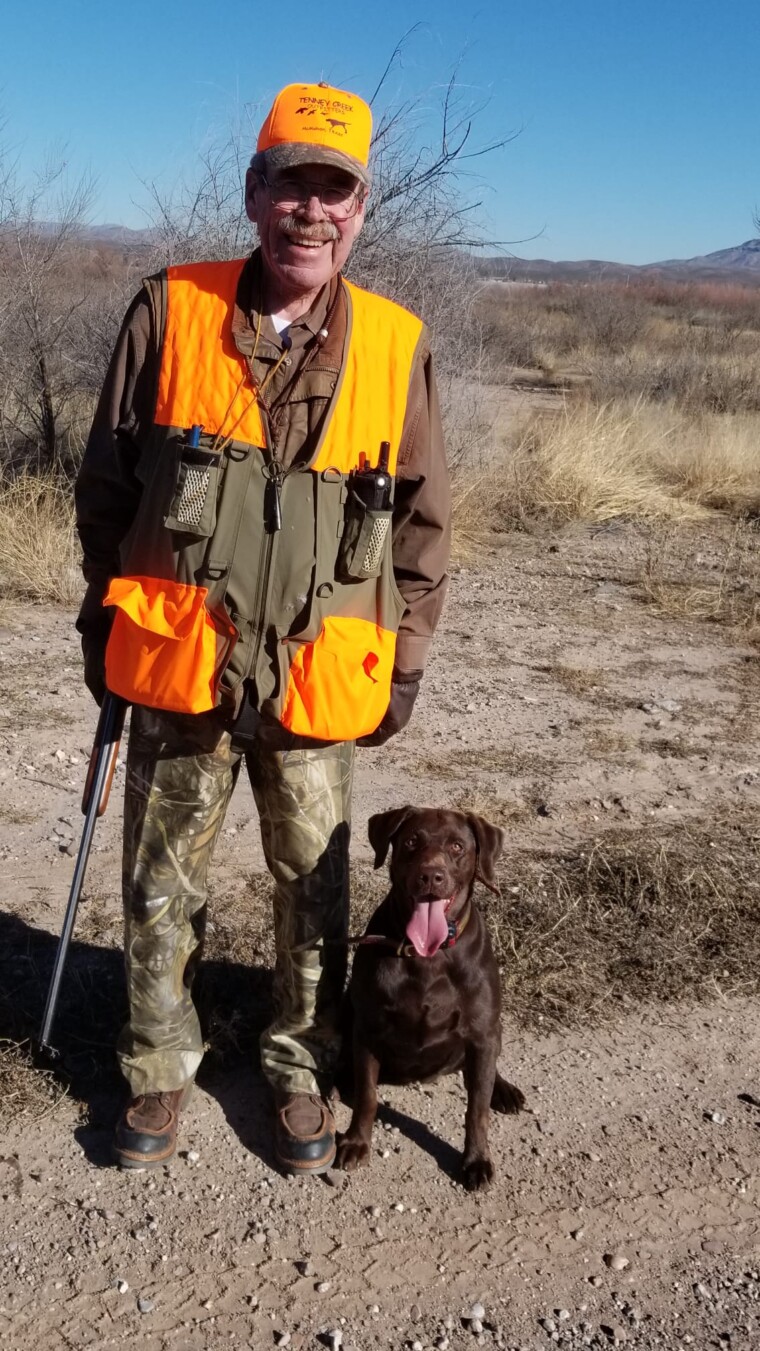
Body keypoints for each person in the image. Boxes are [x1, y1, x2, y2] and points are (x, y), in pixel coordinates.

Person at [75, 81, 451, 1175]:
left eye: (333, 189)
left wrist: (408, 661)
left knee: (316, 888)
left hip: (317, 671)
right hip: (180, 659)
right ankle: (155, 1069)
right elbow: (105, 488)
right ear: (254, 191)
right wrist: (106, 624)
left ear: (361, 209)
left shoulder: (396, 344)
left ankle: (298, 1064)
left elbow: (424, 524)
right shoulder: (167, 308)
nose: (310, 210)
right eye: (292, 182)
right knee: (159, 881)